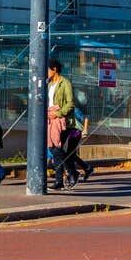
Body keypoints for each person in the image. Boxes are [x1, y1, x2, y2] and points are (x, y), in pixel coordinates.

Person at [46, 58, 74, 190]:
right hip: (49, 119)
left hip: (60, 120)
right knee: (53, 149)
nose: (46, 73)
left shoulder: (65, 83)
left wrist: (57, 114)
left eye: (47, 70)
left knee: (57, 150)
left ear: (54, 69)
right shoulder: (49, 84)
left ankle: (60, 180)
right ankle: (71, 173)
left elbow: (70, 104)